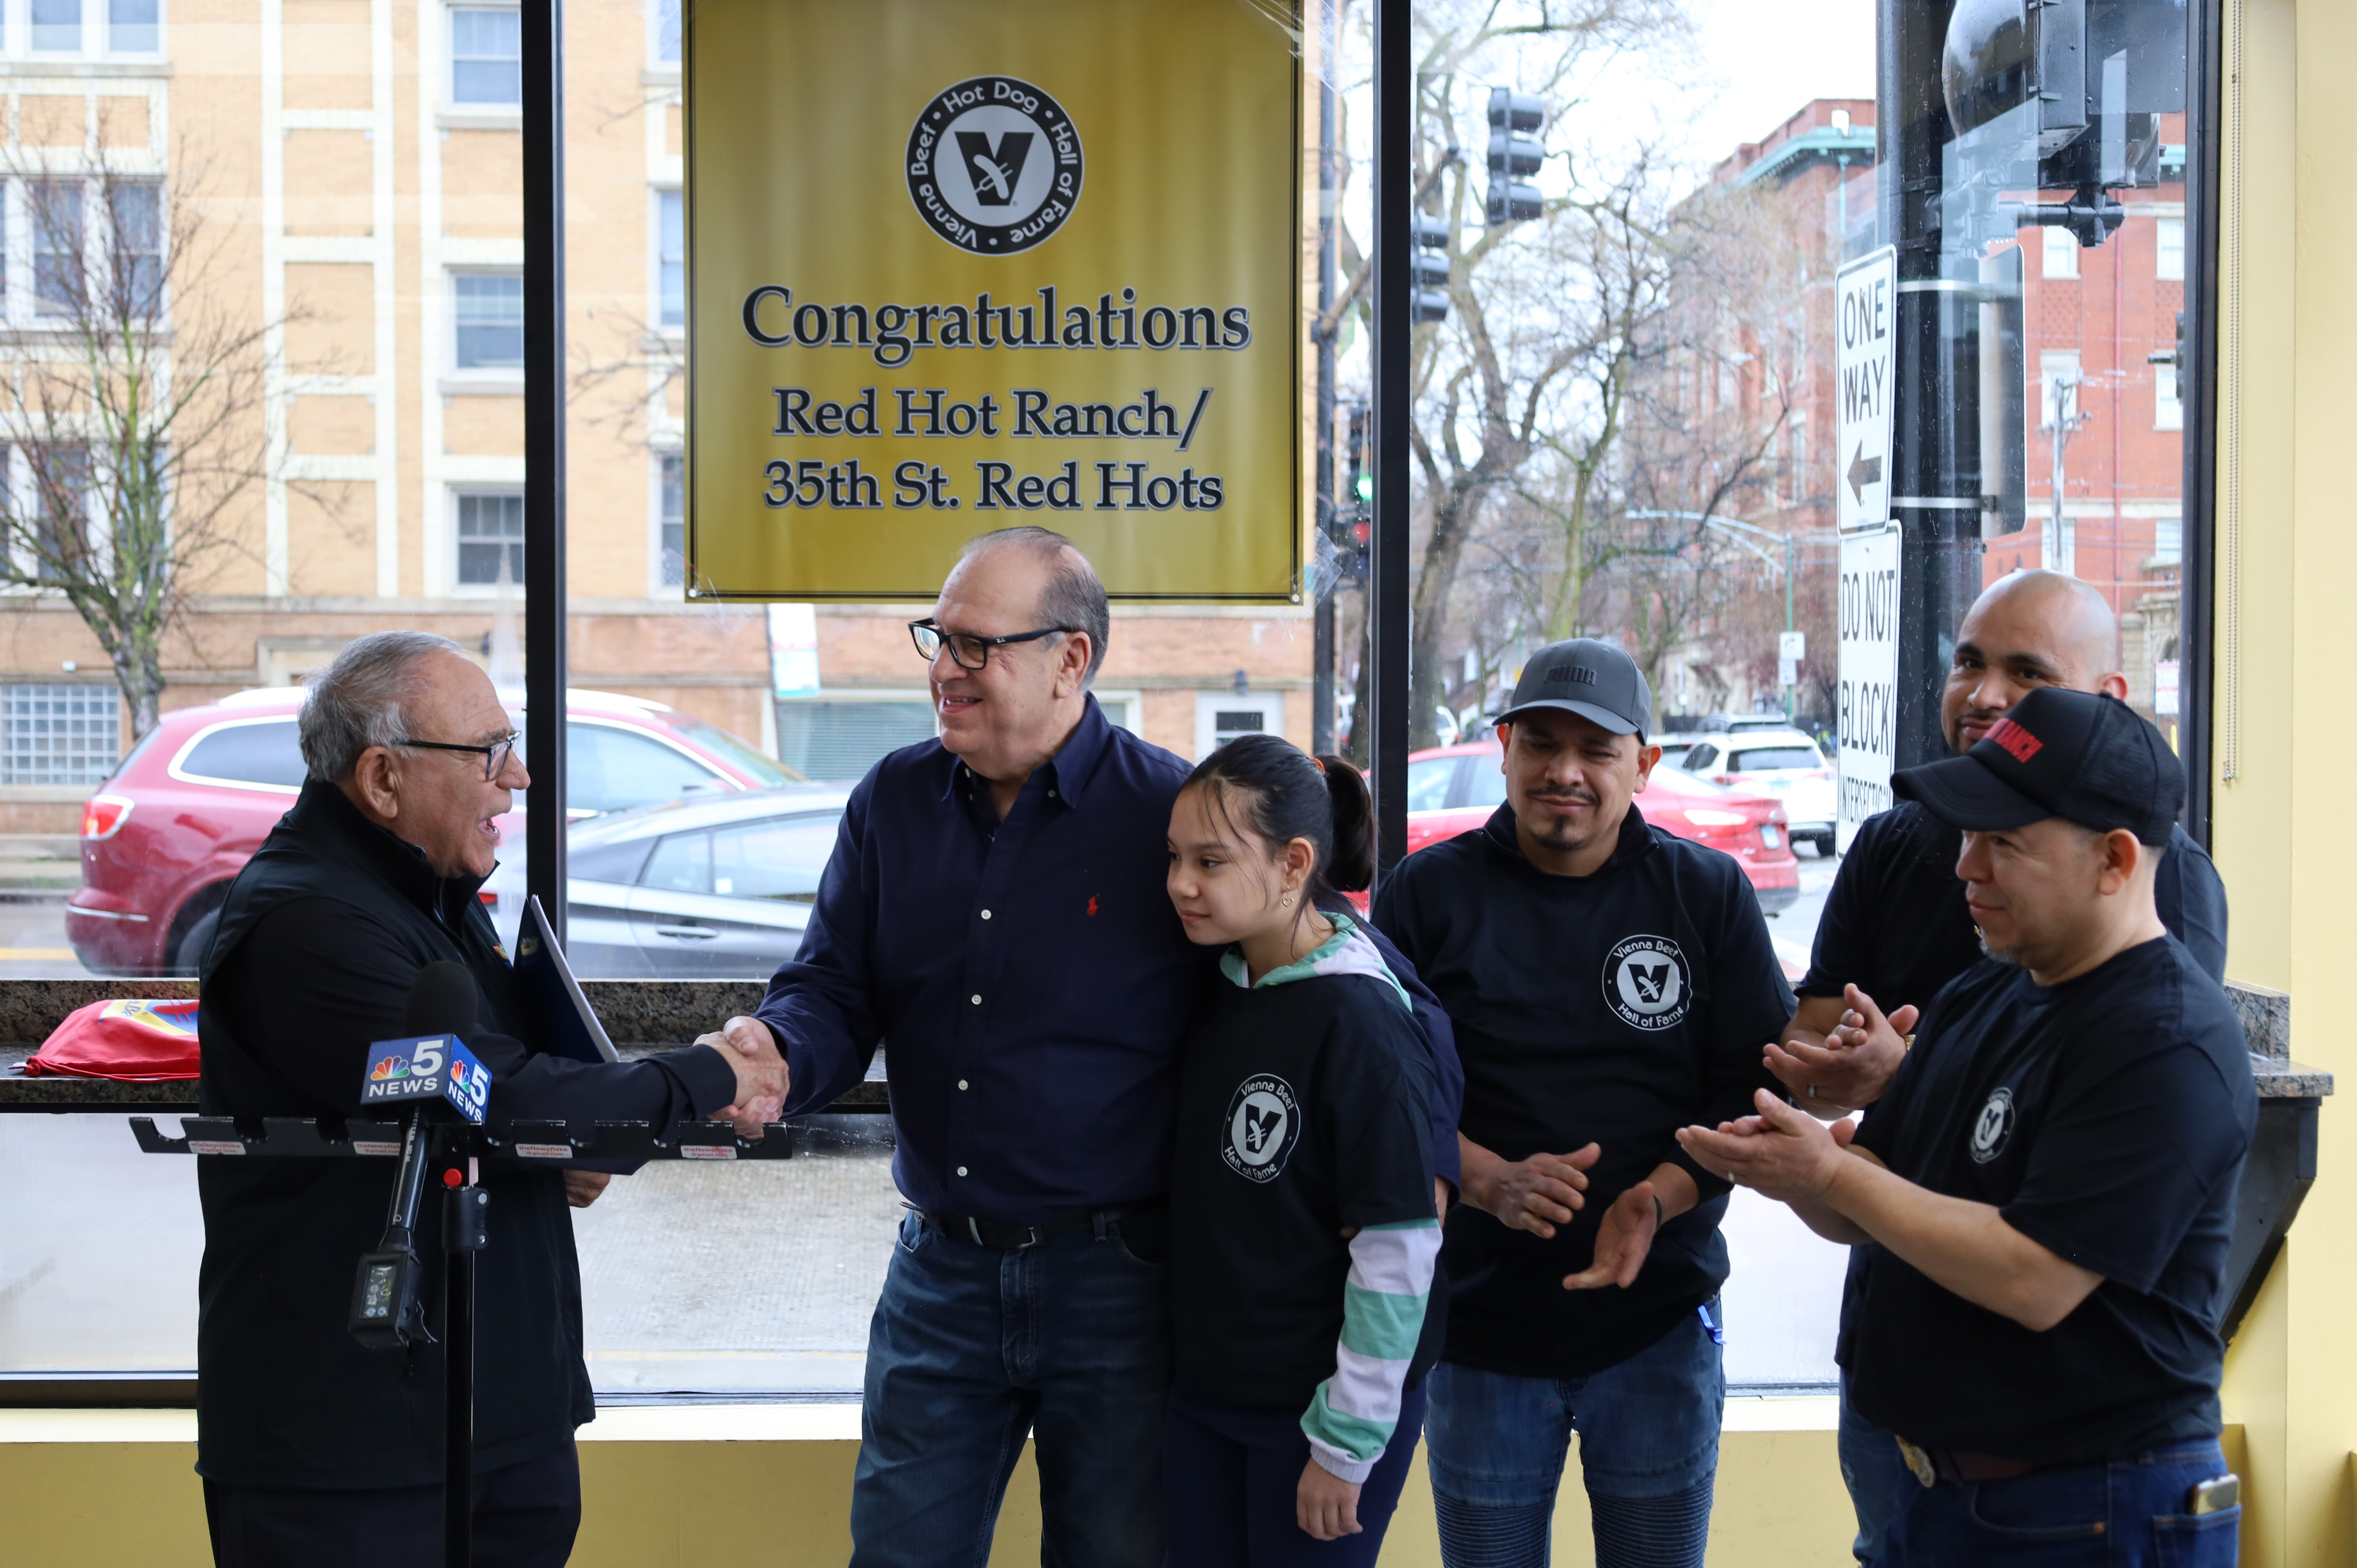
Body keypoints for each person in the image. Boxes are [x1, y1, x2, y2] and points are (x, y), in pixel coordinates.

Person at [705, 527, 1460, 1567]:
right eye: (938, 640)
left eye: (977, 647)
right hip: (940, 1274)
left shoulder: (1177, 820)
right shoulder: (890, 800)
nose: (945, 670)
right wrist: (777, 1056)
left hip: (1126, 1283)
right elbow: (832, 986)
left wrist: (1447, 1164)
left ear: (1071, 658)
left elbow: (1358, 988)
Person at [195, 632, 788, 1568]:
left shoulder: (433, 897)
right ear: (384, 777)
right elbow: (488, 1091)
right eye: (488, 754)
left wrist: (559, 1149)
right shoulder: (308, 925)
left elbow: (489, 1103)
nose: (516, 780)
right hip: (350, 1452)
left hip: (498, 1419)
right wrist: (710, 1074)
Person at [1682, 686, 2255, 1566]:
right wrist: (1789, 1167)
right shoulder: (1986, 988)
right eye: (1966, 835)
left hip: (2096, 1506)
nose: (1965, 869)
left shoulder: (2166, 1038)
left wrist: (1834, 1178)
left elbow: (2038, 1277)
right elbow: (1865, 1191)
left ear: (2112, 859)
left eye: (2003, 844)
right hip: (1940, 1495)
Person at [1374, 638, 1794, 1568]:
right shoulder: (1426, 894)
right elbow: (1377, 1090)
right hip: (1479, 1334)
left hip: (1659, 1326)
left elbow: (1751, 1090)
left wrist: (1660, 1196)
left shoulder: (1705, 892)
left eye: (1596, 750)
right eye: (1542, 743)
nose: (1565, 772)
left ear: (1643, 764)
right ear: (1505, 748)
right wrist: (1486, 1180)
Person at [1162, 735, 1442, 1566]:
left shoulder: (1361, 1023)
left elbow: (1397, 1251)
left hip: (1318, 1416)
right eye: (1174, 858)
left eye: (1211, 861)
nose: (1181, 884)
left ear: (1293, 865)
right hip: (1207, 1397)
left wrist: (1345, 1444)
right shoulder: (1220, 984)